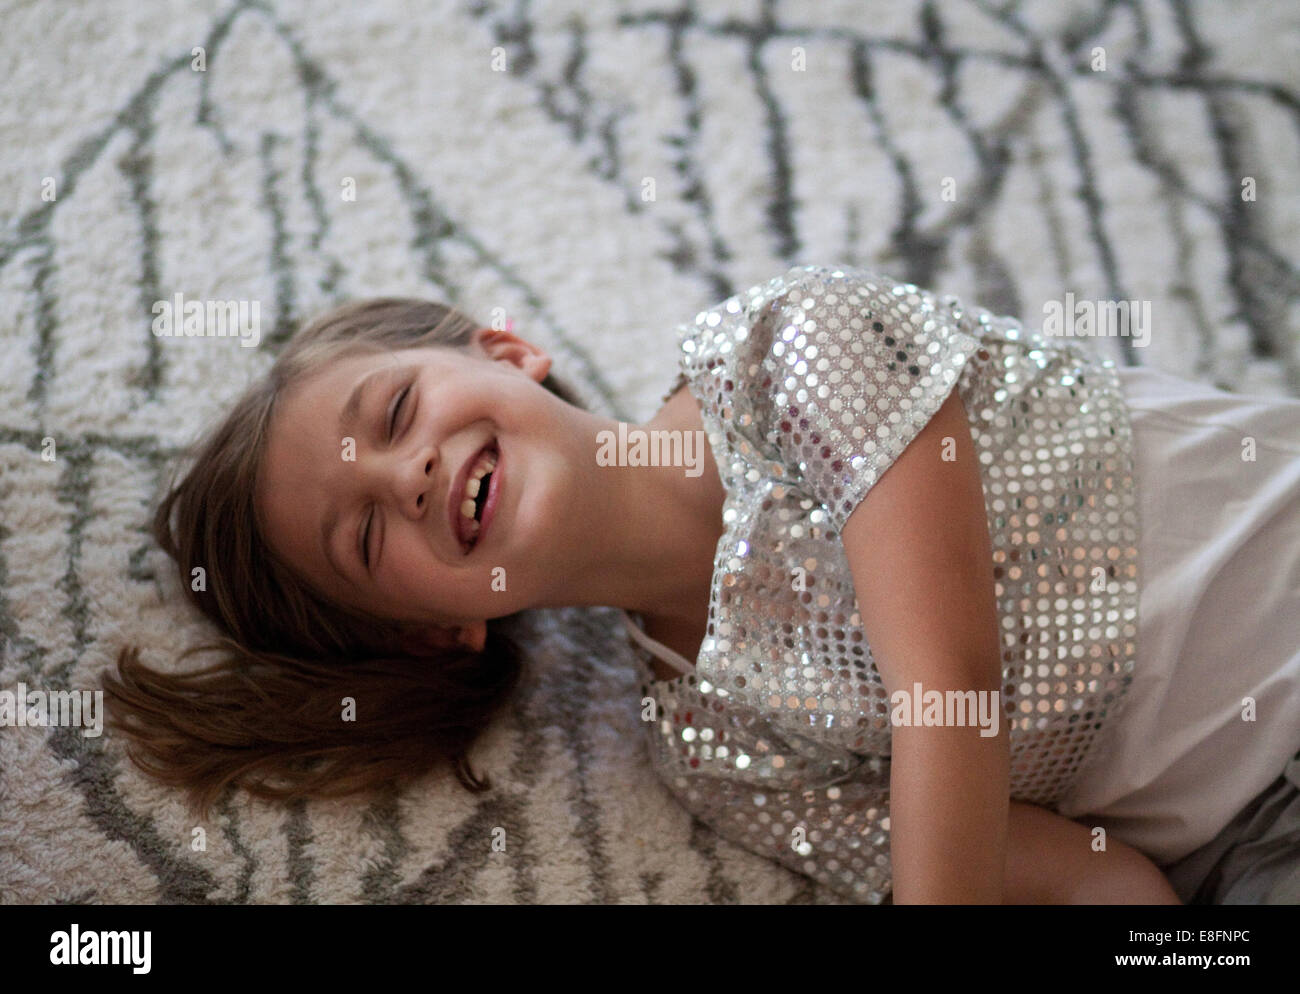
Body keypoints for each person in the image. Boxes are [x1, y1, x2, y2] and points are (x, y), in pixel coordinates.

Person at [103, 264, 1300, 903]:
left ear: (509, 354)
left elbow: (948, 682)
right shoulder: (714, 755)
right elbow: (1093, 879)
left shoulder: (783, 348)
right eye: (365, 536)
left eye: (398, 411)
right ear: (435, 633)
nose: (407, 474)